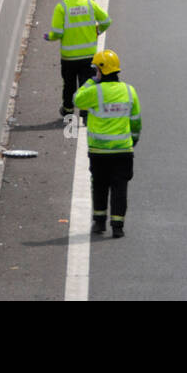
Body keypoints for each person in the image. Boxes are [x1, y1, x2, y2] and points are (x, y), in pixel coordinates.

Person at [73, 50, 141, 238]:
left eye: (96, 70)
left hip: (99, 151)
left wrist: (90, 81)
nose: (96, 73)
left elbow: (77, 99)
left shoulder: (95, 92)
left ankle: (99, 222)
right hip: (123, 151)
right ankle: (118, 226)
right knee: (120, 187)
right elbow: (136, 120)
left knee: (100, 185)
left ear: (101, 71)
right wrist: (133, 139)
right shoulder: (129, 91)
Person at [45, 0, 111, 117]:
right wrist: (97, 31)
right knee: (86, 83)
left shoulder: (61, 7)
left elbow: (57, 33)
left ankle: (68, 110)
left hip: (69, 58)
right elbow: (106, 21)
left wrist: (48, 37)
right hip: (89, 55)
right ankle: (85, 109)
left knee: (69, 84)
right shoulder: (89, 4)